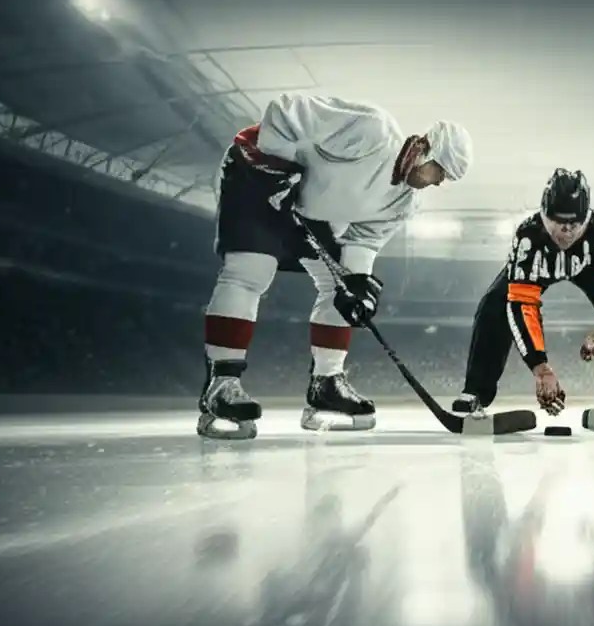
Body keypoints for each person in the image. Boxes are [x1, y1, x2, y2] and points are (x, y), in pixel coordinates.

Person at [198, 93, 472, 439]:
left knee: (339, 288)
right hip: (258, 173)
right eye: (441, 172)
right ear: (425, 150)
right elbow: (285, 110)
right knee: (250, 272)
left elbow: (363, 242)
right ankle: (221, 384)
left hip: (310, 210)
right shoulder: (372, 129)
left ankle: (326, 385)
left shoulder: (404, 203)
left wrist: (358, 287)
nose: (438, 182)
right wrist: (278, 172)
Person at [451, 168, 594, 417]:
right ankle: (476, 390)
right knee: (495, 302)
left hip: (591, 270)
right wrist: (540, 368)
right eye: (559, 221)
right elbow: (522, 305)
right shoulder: (528, 238)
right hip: (535, 270)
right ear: (543, 215)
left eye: (575, 222)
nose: (567, 231)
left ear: (586, 218)